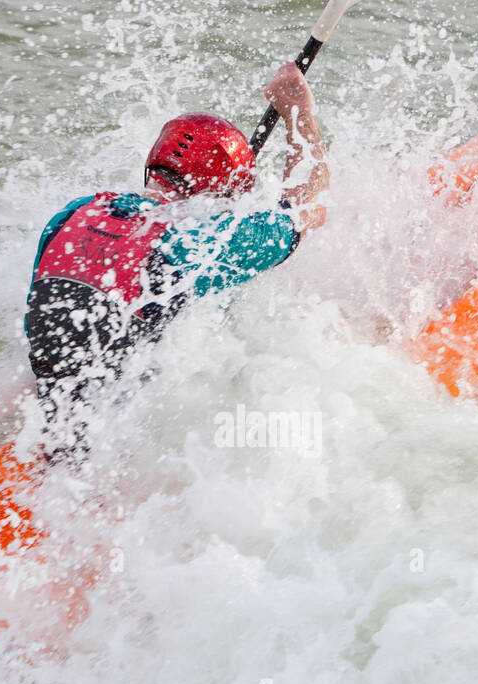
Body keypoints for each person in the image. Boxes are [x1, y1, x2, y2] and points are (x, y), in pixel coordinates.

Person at [24, 62, 329, 462]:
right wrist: (297, 113)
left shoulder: (76, 212)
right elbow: (310, 207)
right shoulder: (192, 245)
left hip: (50, 377)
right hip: (113, 418)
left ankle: (50, 430)